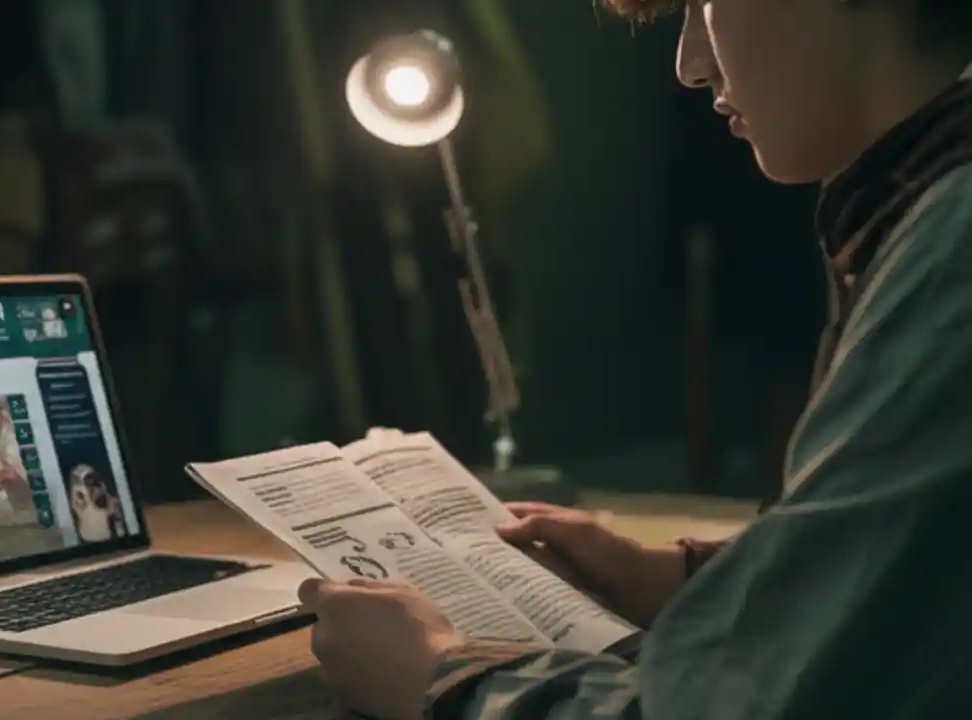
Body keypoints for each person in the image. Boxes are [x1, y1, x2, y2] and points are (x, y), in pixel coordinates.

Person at [298, 1, 972, 718]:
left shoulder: (952, 253)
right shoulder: (919, 212)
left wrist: (442, 681)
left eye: (703, 4)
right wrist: (688, 579)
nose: (689, 66)